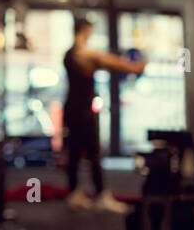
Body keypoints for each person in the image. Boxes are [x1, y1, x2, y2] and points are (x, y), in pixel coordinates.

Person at [62, 15, 146, 213]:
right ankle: (99, 194)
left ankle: (75, 193)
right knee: (92, 153)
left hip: (74, 109)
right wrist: (135, 65)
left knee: (75, 154)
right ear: (85, 30)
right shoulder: (83, 53)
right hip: (82, 112)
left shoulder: (71, 53)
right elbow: (113, 63)